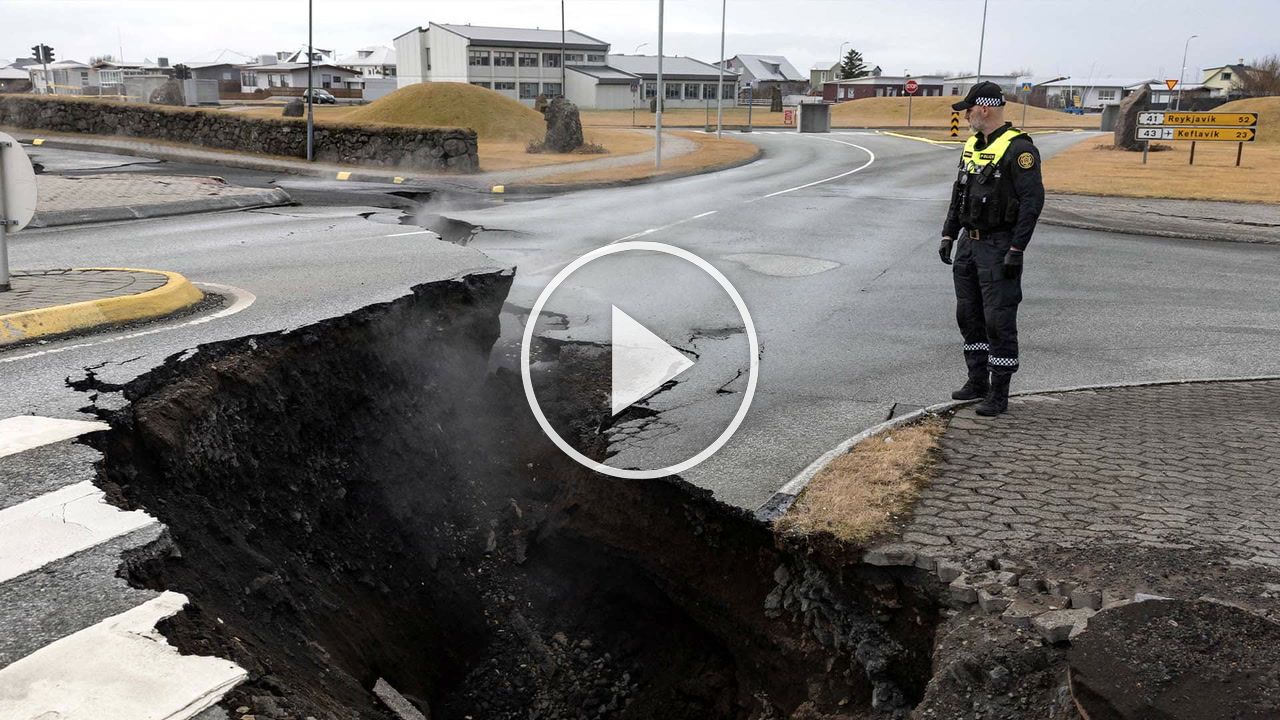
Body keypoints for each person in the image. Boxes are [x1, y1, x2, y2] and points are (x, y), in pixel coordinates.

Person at [938, 81, 1045, 416]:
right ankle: (977, 380)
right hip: (970, 243)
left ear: (983, 108)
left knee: (998, 319)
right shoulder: (973, 145)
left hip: (999, 245)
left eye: (968, 110)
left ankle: (999, 393)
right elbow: (960, 193)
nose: (966, 116)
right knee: (968, 316)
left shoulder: (1019, 150)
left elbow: (1032, 202)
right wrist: (948, 234)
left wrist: (1017, 248)